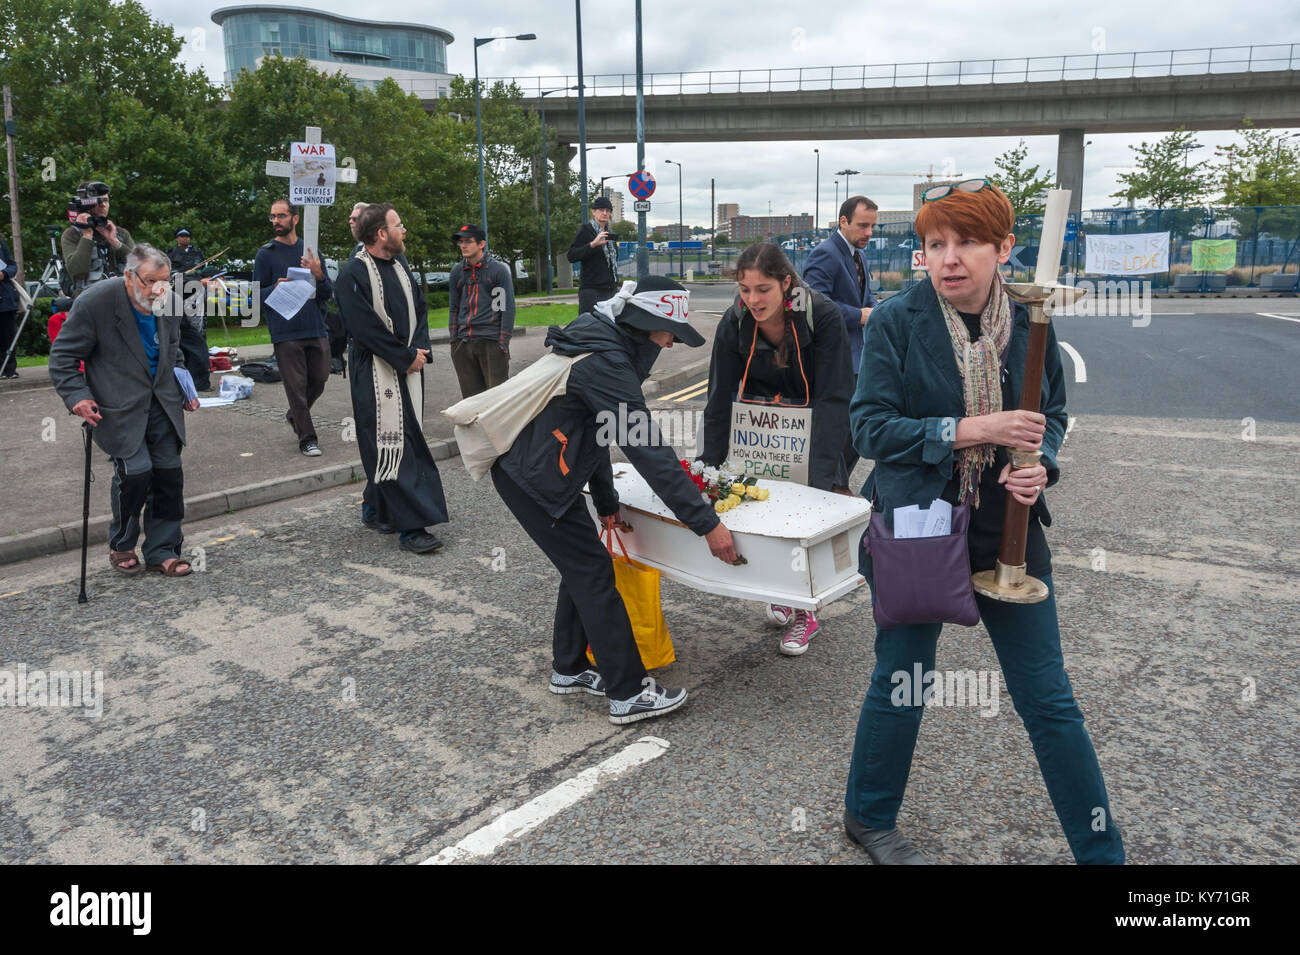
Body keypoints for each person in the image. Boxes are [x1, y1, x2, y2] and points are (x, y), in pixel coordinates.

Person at [843, 179, 1124, 865]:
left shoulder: (1033, 319)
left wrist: (1042, 463)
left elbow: (1049, 415)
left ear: (1005, 247)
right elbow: (868, 427)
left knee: (1049, 697)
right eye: (935, 243)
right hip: (916, 518)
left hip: (1012, 527)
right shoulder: (897, 322)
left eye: (966, 241)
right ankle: (869, 817)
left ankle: (1102, 853)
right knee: (903, 679)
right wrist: (971, 428)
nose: (949, 257)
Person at [492, 276, 738, 725]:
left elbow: (597, 433)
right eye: (669, 333)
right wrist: (706, 524)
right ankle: (628, 693)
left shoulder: (605, 341)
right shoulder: (607, 362)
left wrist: (606, 502)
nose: (669, 344)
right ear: (644, 324)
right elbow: (649, 450)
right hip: (534, 478)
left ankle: (569, 669)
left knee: (583, 567)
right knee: (593, 574)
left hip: (542, 468)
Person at [698, 242, 853, 656]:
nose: (753, 300)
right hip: (761, 433)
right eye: (745, 289)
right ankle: (783, 592)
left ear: (787, 283)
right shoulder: (734, 321)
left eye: (763, 289)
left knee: (803, 522)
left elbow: (837, 398)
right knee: (762, 516)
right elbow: (718, 397)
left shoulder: (823, 316)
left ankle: (807, 613)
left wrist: (822, 479)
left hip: (818, 425)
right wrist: (706, 471)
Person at [48, 244, 201, 577]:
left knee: (169, 473)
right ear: (128, 276)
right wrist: (78, 396)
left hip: (162, 402)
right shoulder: (96, 302)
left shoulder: (169, 302)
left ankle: (163, 549)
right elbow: (62, 357)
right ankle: (122, 543)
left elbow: (174, 354)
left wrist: (184, 388)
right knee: (135, 473)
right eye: (150, 281)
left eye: (165, 281)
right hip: (118, 406)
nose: (159, 289)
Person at [334, 203, 448, 554]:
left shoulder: (400, 266)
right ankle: (411, 529)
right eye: (399, 225)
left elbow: (420, 308)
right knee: (390, 444)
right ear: (381, 233)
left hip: (409, 367)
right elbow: (363, 327)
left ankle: (375, 509)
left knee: (399, 442)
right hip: (374, 372)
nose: (404, 231)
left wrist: (421, 350)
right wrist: (402, 357)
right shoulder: (352, 274)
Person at [802, 195, 879, 492]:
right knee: (842, 427)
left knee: (859, 425)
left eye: (872, 226)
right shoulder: (826, 253)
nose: (869, 233)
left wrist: (877, 310)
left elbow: (864, 297)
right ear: (843, 221)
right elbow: (813, 302)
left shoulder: (860, 255)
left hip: (859, 357)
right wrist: (859, 315)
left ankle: (835, 483)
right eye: (863, 225)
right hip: (834, 358)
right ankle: (831, 484)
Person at [252, 197, 333, 456]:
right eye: (272, 217)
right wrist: (274, 287)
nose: (276, 221)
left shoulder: (311, 250)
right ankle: (307, 439)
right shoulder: (266, 254)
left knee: (319, 380)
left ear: (295, 219)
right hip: (285, 331)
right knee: (296, 388)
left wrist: (319, 276)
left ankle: (295, 416)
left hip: (314, 326)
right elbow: (255, 296)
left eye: (281, 216)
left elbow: (327, 293)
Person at [448, 223, 515, 398]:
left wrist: (503, 342)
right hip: (463, 343)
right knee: (471, 401)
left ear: (481, 244)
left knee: (496, 399)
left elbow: (505, 308)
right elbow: (454, 308)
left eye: (468, 241)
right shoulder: (457, 271)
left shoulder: (498, 270)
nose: (463, 245)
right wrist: (454, 340)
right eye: (461, 242)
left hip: (491, 341)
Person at [61, 181, 134, 296]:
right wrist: (87, 236)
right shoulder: (72, 234)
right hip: (89, 301)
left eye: (106, 200)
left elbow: (140, 266)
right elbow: (76, 271)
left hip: (123, 298)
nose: (103, 205)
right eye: (98, 201)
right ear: (84, 204)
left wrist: (114, 241)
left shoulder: (120, 233)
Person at [566, 195, 619, 314]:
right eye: (601, 210)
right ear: (594, 212)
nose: (605, 213)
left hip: (610, 289)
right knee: (591, 327)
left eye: (608, 210)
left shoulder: (609, 233)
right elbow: (571, 256)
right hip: (592, 290)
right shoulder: (586, 230)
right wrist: (593, 244)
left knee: (611, 328)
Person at [1, 235, 19, 378]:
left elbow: (13, 265)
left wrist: (4, 273)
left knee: (8, 335)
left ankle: (9, 369)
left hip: (4, 300)